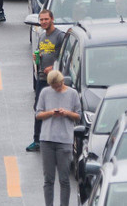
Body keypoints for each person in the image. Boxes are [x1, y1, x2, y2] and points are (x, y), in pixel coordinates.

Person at [35, 70, 81, 206]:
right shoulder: (45, 92)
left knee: (64, 179)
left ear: (62, 81)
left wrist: (66, 113)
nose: (56, 88)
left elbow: (78, 115)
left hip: (65, 141)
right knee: (48, 179)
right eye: (53, 86)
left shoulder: (72, 94)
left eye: (58, 86)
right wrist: (51, 113)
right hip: (47, 140)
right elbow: (38, 114)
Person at [27, 9, 66, 152]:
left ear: (52, 19)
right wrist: (37, 57)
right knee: (39, 108)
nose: (43, 22)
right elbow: (41, 52)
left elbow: (64, 57)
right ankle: (37, 140)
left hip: (55, 80)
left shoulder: (60, 36)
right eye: (41, 20)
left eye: (46, 19)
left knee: (56, 109)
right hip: (42, 78)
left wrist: (54, 67)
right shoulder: (42, 36)